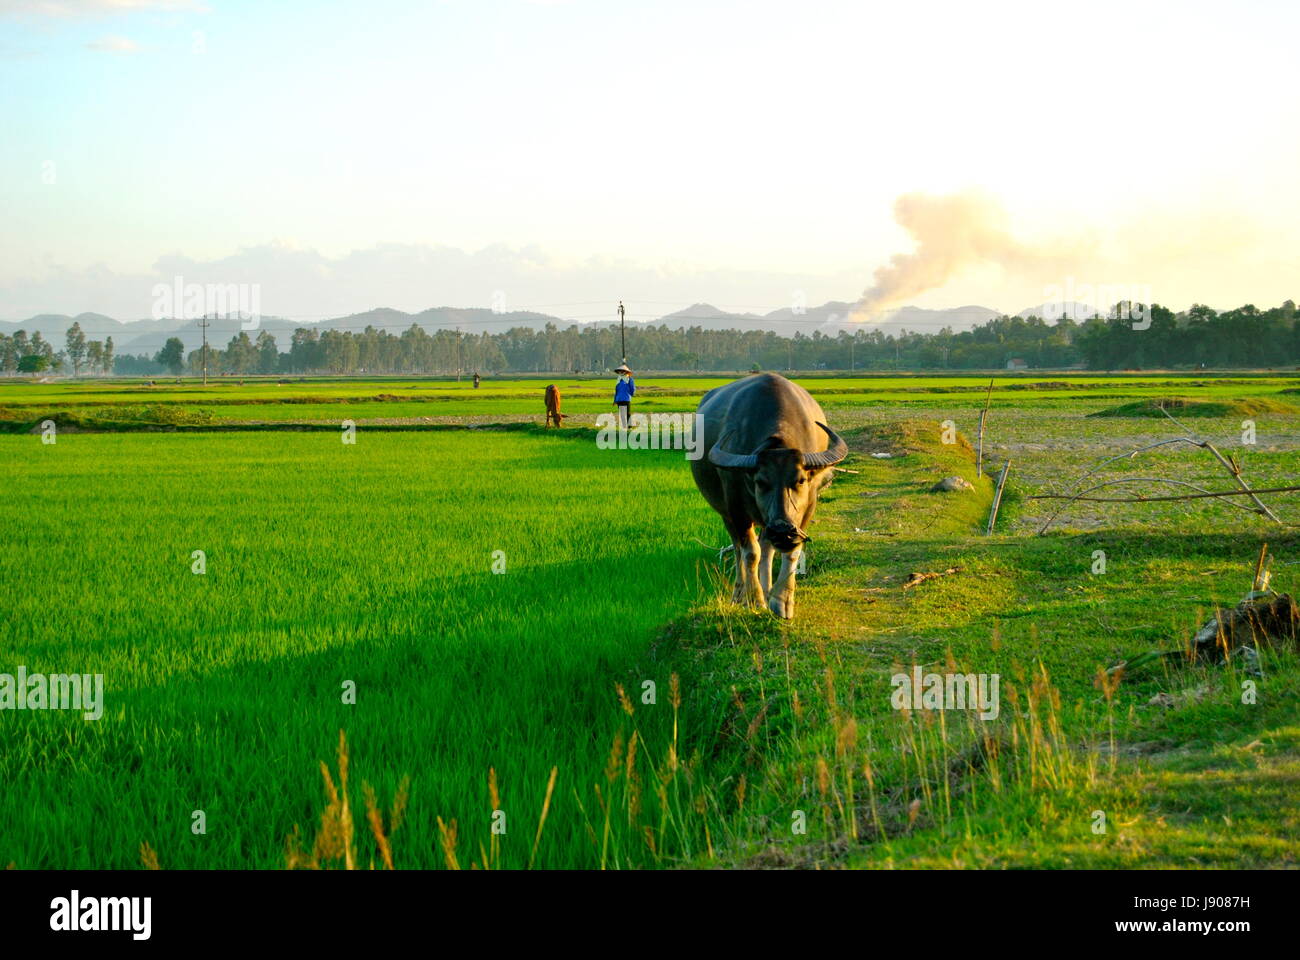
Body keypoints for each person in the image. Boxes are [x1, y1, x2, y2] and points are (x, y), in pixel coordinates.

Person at [613, 364, 635, 428]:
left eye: (622, 371)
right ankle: (624, 426)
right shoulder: (618, 380)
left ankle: (629, 426)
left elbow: (632, 388)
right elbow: (616, 391)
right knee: (622, 414)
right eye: (620, 371)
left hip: (626, 398)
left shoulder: (629, 379)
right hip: (619, 399)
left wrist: (631, 393)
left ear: (625, 372)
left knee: (627, 413)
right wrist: (615, 400)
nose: (621, 372)